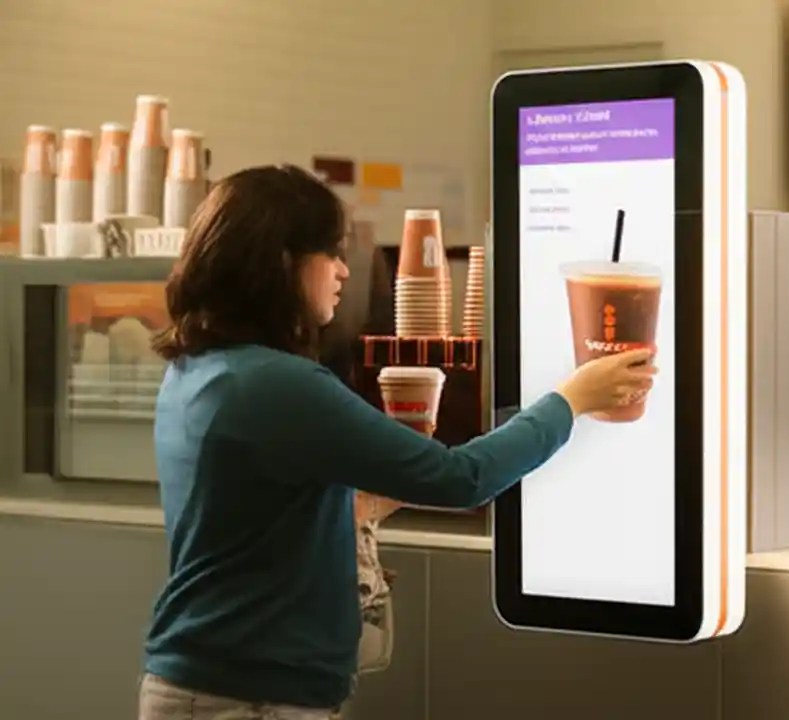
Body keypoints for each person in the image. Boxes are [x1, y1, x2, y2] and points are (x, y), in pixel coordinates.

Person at [136, 164, 656, 719]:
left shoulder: (203, 370)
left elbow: (258, 515)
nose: (342, 271)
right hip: (247, 701)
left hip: (215, 687)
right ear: (282, 262)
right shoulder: (276, 384)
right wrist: (572, 399)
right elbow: (462, 479)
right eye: (329, 254)